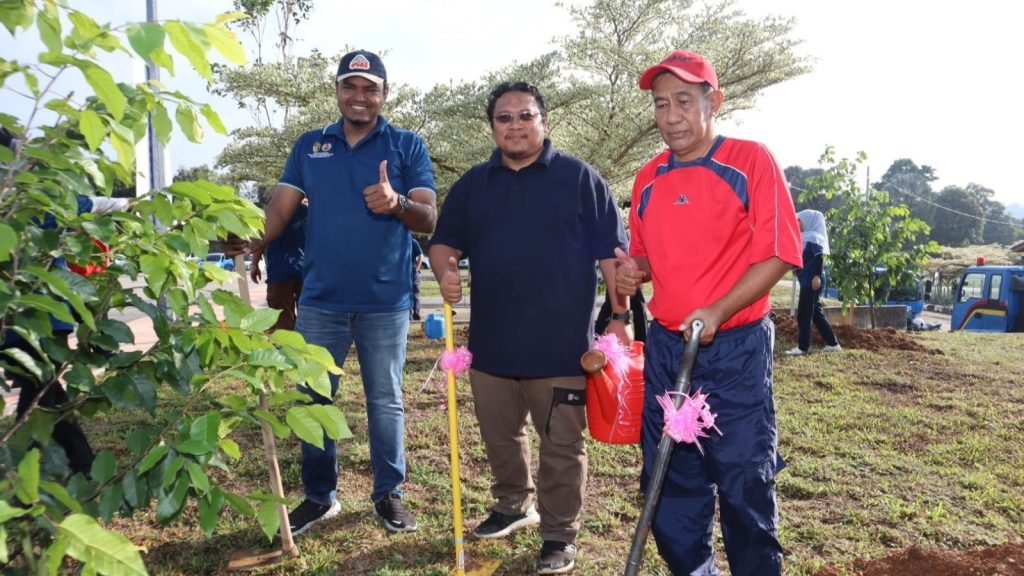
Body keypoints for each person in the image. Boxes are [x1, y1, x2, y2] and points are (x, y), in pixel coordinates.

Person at [225, 50, 437, 536]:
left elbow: (428, 215)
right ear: (337, 90)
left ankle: (389, 494)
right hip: (320, 301)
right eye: (350, 86)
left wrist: (397, 201)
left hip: (384, 303)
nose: (360, 96)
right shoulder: (310, 145)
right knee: (315, 400)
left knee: (385, 401)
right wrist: (256, 239)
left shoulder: (406, 145)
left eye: (370, 88)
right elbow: (280, 208)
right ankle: (320, 497)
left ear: (385, 94)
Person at [430, 81, 630, 575]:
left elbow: (612, 254)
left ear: (544, 120)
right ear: (492, 126)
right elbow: (443, 243)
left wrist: (621, 317)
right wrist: (446, 270)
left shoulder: (580, 178)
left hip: (562, 349)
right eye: (504, 118)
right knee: (500, 438)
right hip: (492, 347)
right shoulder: (474, 184)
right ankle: (512, 504)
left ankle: (559, 535)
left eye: (525, 115)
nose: (515, 125)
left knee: (561, 447)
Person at [614, 51, 802, 576]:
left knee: (744, 479)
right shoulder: (648, 176)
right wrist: (637, 271)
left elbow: (780, 251)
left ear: (713, 102)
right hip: (670, 350)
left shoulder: (749, 161)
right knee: (669, 480)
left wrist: (718, 309)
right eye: (660, 104)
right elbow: (648, 254)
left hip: (734, 351)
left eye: (683, 101)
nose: (670, 115)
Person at [786, 210, 841, 355]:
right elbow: (805, 258)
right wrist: (796, 268)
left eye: (799, 221)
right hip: (808, 279)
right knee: (815, 312)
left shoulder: (814, 238)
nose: (797, 224)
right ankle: (833, 343)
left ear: (808, 222)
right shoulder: (806, 238)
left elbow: (819, 257)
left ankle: (802, 347)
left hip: (812, 281)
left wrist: (816, 276)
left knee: (804, 313)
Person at [249, 200, 307, 331]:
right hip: (305, 271)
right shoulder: (309, 212)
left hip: (279, 272)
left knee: (281, 321)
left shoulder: (271, 213)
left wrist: (254, 264)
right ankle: (305, 348)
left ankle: (286, 349)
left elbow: (261, 240)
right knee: (308, 320)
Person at [410, 240, 423, 322]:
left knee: (415, 294)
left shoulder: (413, 242)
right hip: (404, 272)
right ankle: (409, 316)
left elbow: (421, 256)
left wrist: (417, 268)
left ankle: (416, 315)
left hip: (413, 271)